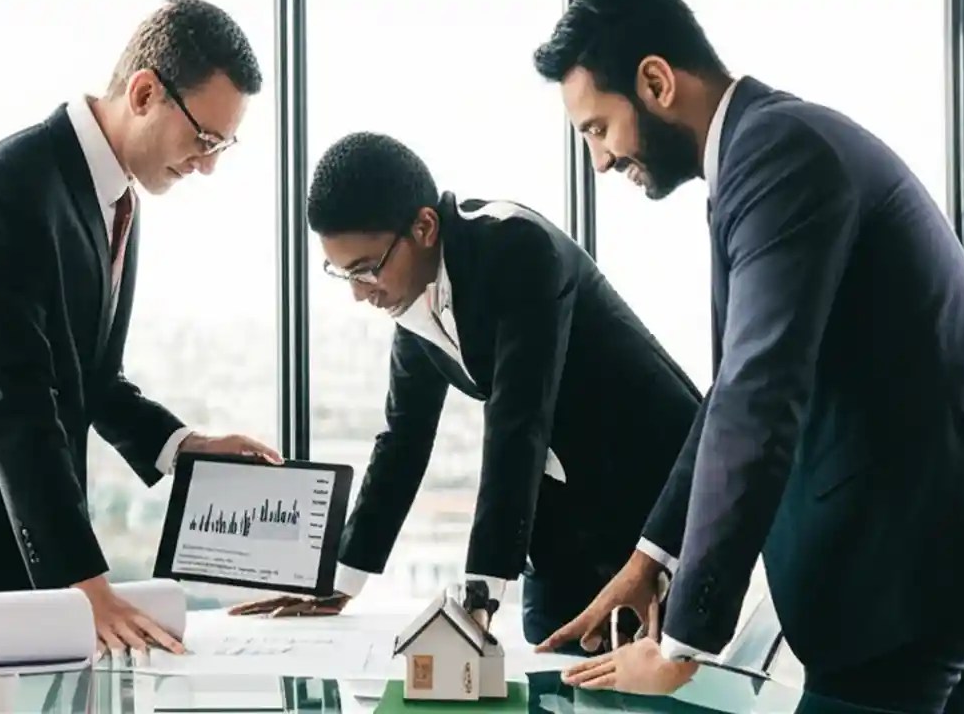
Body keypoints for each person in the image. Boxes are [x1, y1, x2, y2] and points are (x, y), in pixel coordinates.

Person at [531, 0, 964, 711]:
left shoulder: (780, 156)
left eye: (598, 127)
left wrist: (681, 643)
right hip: (928, 560)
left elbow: (758, 396)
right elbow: (732, 394)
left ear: (656, 83)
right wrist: (652, 559)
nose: (597, 160)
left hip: (903, 575)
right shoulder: (767, 150)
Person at [0, 0, 282, 655]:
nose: (208, 165)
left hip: (26, 565)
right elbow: (15, 403)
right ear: (145, 92)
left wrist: (183, 445)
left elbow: (90, 380)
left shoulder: (113, 200)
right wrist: (82, 583)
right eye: (204, 139)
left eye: (223, 145)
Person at [230, 131, 701, 649]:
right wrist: (340, 582)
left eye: (366, 270)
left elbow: (517, 420)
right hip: (560, 512)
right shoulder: (414, 302)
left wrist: (478, 592)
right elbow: (402, 440)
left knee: (641, 684)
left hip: (656, 495)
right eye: (343, 275)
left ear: (425, 227)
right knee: (549, 663)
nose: (359, 294)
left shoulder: (517, 246)